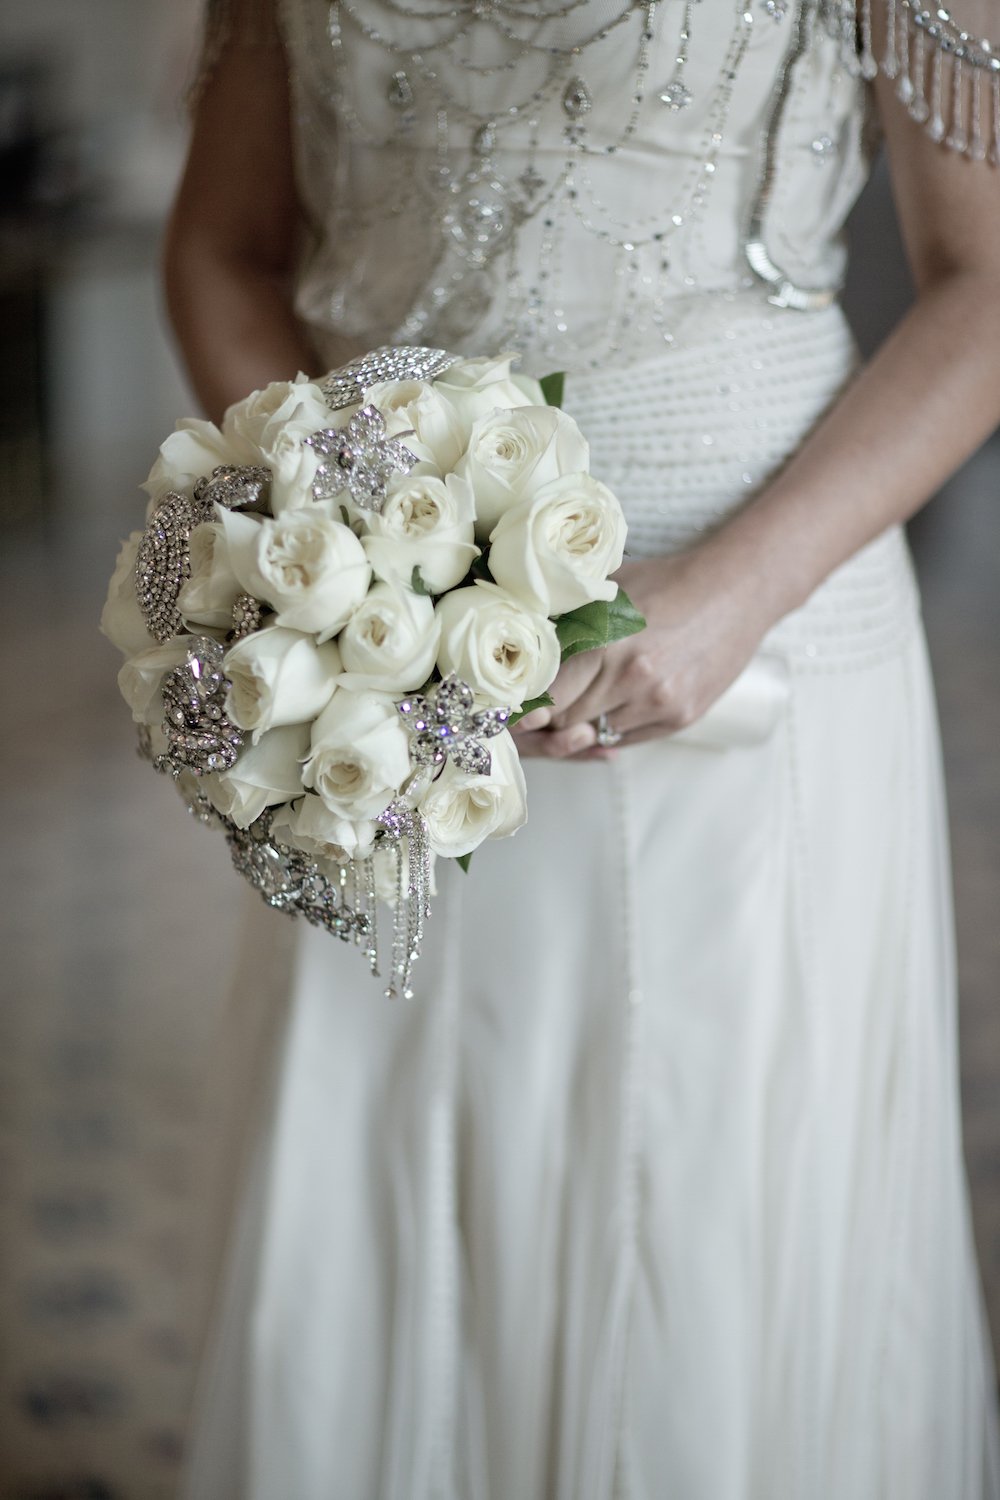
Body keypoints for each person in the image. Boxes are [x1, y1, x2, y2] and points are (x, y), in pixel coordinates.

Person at [166, 0, 1000, 1495]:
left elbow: (988, 283)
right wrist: (345, 546)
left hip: (752, 629)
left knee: (701, 1220)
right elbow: (223, 246)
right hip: (374, 665)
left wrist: (737, 593)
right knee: (374, 1189)